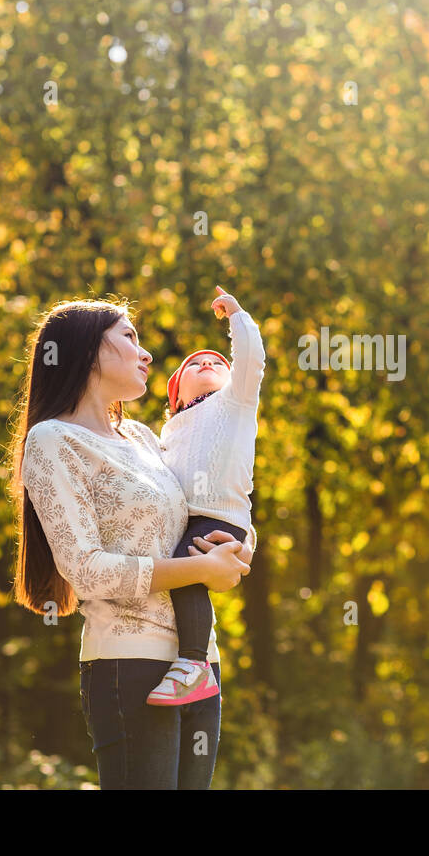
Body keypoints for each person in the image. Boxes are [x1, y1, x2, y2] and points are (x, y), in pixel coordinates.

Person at [8, 296, 255, 788]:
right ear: (86, 351)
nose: (145, 353)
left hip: (199, 661)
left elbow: (207, 509)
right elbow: (87, 569)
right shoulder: (54, 440)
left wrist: (239, 549)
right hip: (129, 662)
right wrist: (200, 571)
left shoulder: (143, 437)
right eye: (129, 337)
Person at [146, 285, 265, 706]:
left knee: (186, 572)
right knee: (184, 572)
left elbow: (251, 359)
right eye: (195, 363)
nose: (209, 361)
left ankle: (194, 663)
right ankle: (192, 662)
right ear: (174, 394)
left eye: (217, 360)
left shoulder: (235, 403)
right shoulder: (169, 430)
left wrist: (236, 314)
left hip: (221, 518)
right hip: (188, 518)